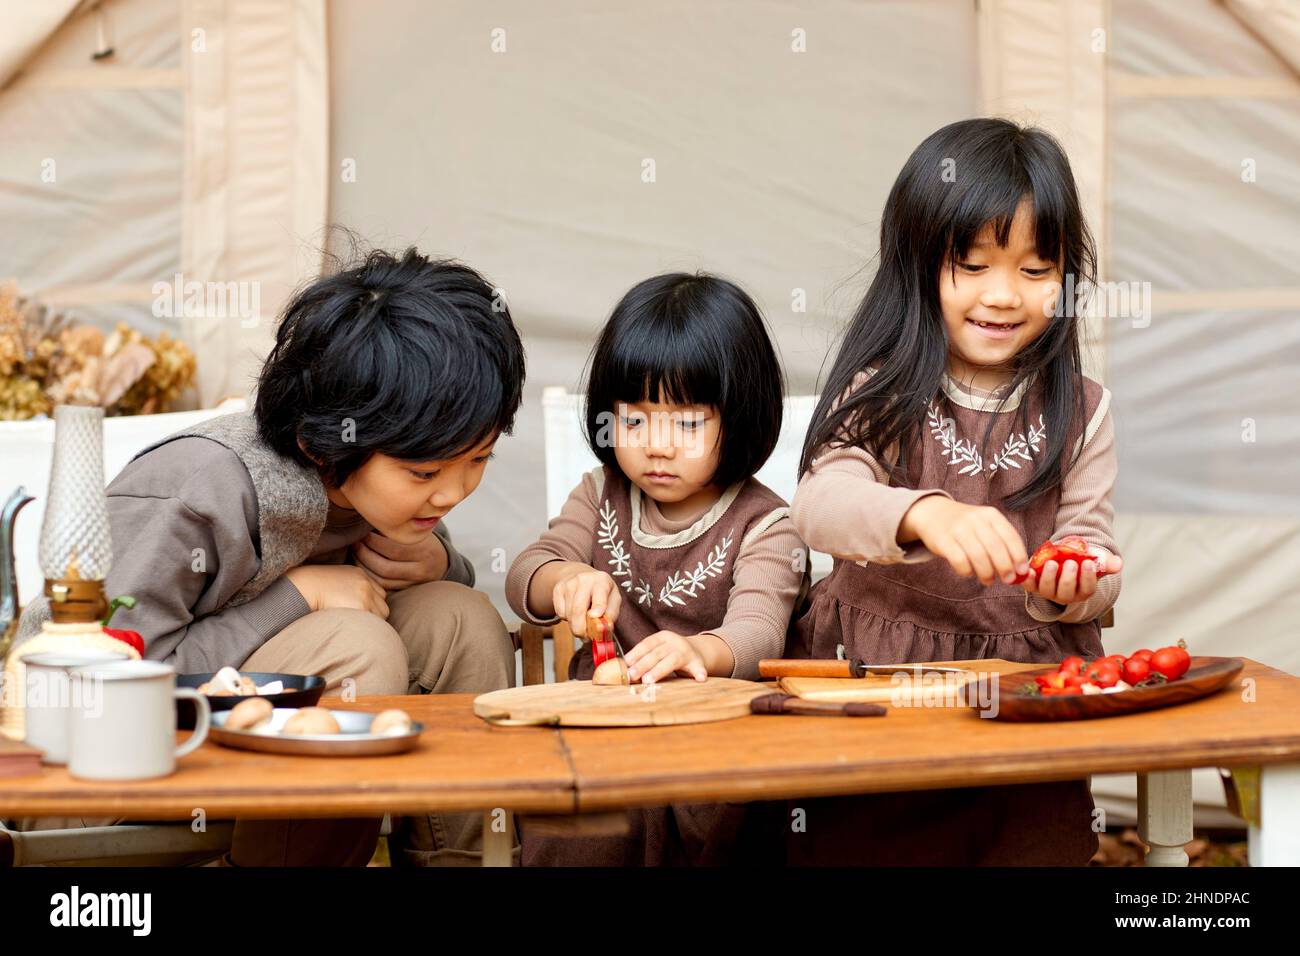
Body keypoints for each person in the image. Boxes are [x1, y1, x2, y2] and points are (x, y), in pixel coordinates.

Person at [13, 247, 527, 866]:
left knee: (461, 616)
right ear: (320, 443)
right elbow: (108, 675)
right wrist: (298, 597)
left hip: (226, 740)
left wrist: (437, 566)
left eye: (478, 460)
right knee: (356, 645)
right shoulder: (199, 491)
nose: (453, 492)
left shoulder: (374, 481)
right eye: (424, 472)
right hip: (85, 764)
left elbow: (423, 573)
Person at [785, 118, 1123, 865]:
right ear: (917, 264)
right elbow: (817, 505)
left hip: (1027, 692)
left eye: (1035, 271)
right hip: (876, 682)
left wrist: (1076, 583)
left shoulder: (1084, 408)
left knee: (1037, 849)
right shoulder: (882, 390)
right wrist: (922, 512)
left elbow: (1094, 550)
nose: (1003, 296)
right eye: (971, 265)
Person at [507, 272, 806, 865]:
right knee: (579, 811)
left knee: (724, 809)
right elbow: (526, 574)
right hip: (606, 729)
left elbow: (760, 633)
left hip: (714, 732)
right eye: (635, 419)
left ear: (739, 416)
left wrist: (701, 652)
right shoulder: (599, 494)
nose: (657, 445)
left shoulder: (768, 524)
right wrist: (564, 579)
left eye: (687, 424)